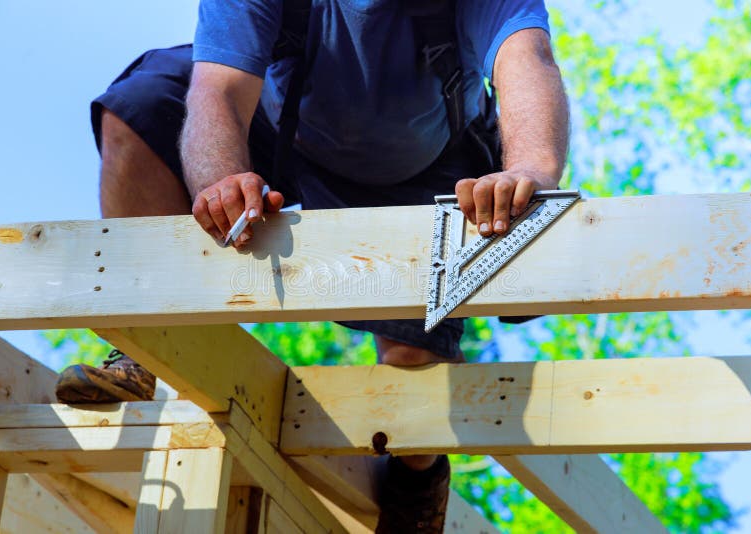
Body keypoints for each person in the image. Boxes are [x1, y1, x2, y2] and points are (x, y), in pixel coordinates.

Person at [56, 1, 568, 531]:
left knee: (412, 373)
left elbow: (526, 58)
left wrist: (530, 169)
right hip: (286, 131)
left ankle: (418, 478)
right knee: (142, 102)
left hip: (424, 162)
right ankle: (150, 340)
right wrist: (222, 179)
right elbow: (220, 91)